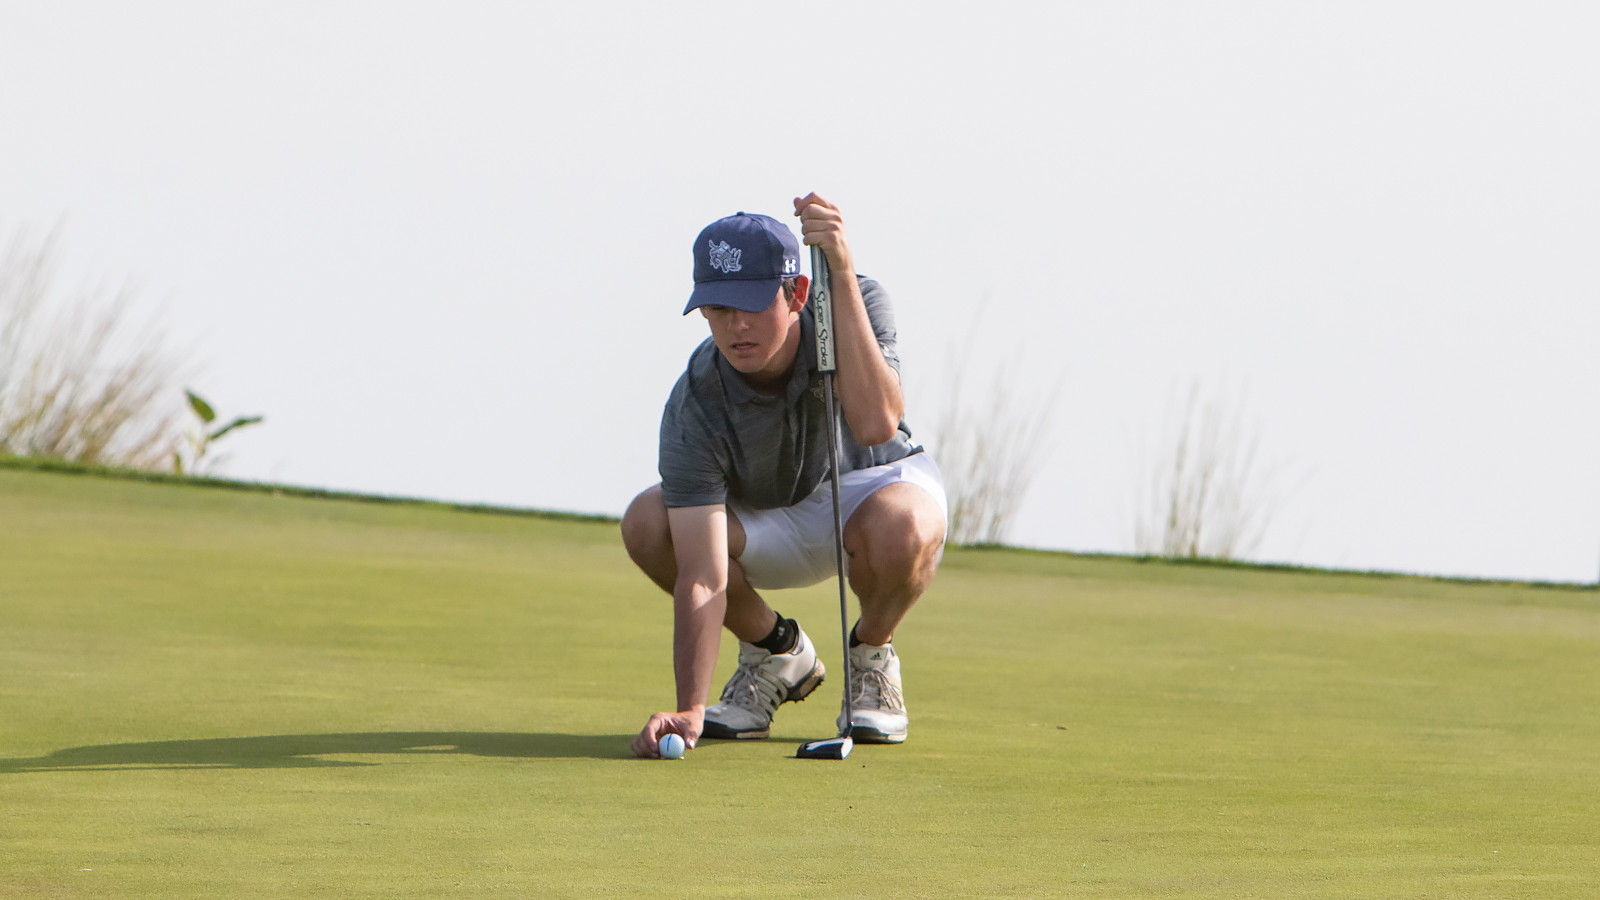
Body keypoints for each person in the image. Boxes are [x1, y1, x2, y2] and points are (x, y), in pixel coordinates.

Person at [623, 193, 947, 759]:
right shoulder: (697, 399)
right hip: (774, 514)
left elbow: (875, 424)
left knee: (902, 528)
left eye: (751, 304)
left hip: (872, 483)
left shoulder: (854, 298)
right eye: (719, 309)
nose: (736, 327)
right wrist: (690, 707)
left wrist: (840, 270)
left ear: (797, 294)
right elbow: (702, 576)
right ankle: (775, 653)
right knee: (651, 522)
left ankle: (871, 654)